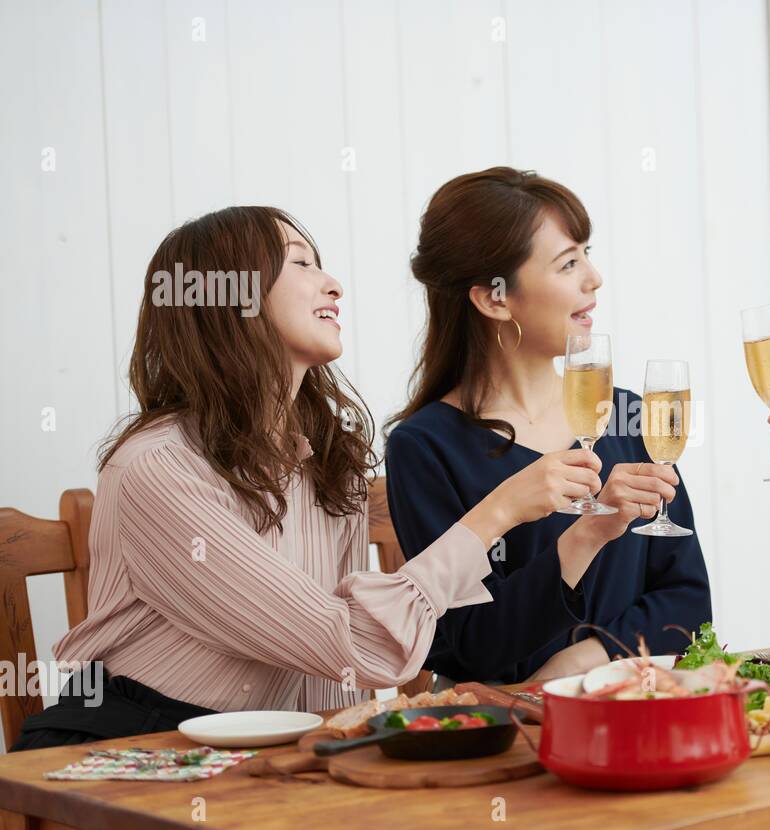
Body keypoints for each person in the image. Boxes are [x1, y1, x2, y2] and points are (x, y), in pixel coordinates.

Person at [11, 206, 596, 751]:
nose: (333, 284)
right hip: (135, 742)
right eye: (300, 263)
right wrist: (497, 512)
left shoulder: (322, 458)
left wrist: (338, 761)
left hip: (265, 749)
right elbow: (350, 642)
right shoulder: (156, 469)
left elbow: (330, 677)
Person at [385, 167, 711, 686]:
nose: (594, 278)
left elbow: (689, 603)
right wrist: (585, 537)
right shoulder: (424, 447)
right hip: (504, 733)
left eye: (586, 253)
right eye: (568, 264)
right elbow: (471, 648)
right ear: (495, 297)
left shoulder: (625, 414)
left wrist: (590, 657)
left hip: (629, 704)